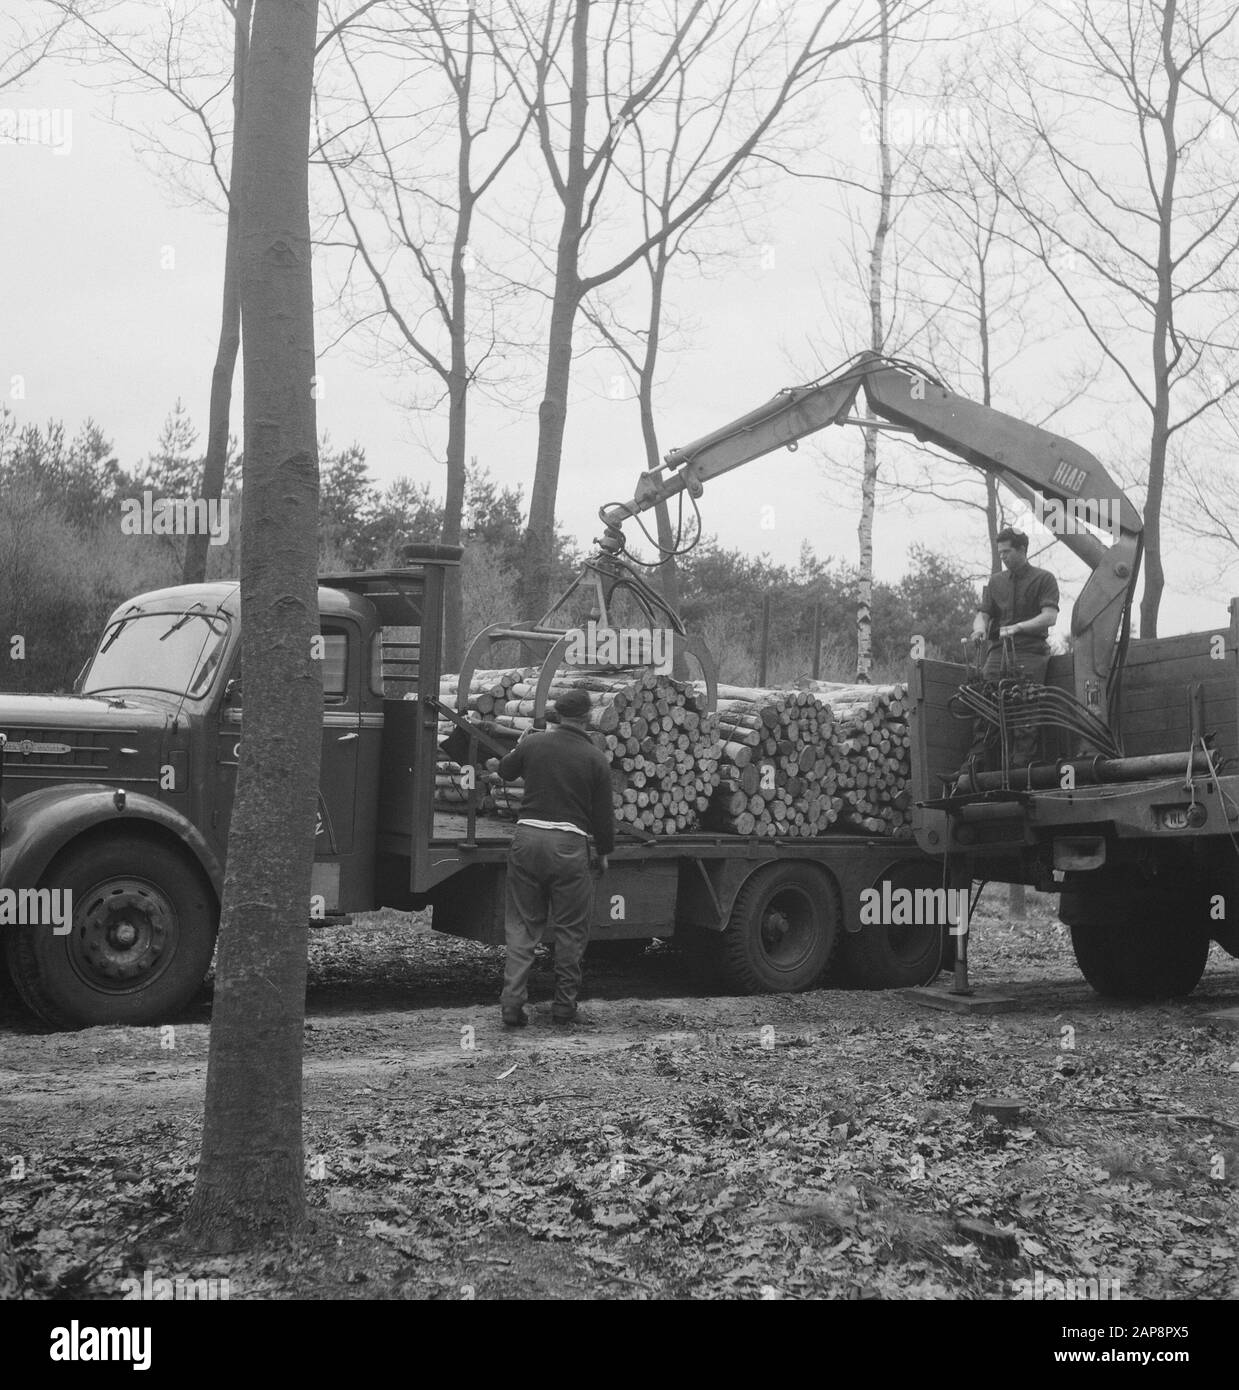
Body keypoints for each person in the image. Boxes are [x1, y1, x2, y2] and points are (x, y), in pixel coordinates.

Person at [496, 688, 615, 1027]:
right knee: (570, 931)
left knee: (522, 927)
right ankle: (563, 1007)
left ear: (557, 714)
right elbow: (603, 817)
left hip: (527, 840)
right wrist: (604, 853)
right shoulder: (595, 758)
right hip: (569, 847)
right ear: (588, 717)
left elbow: (505, 771)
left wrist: (520, 745)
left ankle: (512, 1005)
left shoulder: (534, 744)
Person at [961, 527, 1060, 774]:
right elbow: (982, 615)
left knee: (1025, 708)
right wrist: (979, 629)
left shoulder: (1044, 579)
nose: (1003, 557)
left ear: (1022, 550)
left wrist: (1018, 627)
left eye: (1007, 552)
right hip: (997, 653)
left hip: (1029, 652)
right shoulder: (995, 582)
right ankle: (975, 767)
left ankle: (1019, 768)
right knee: (984, 705)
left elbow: (1049, 617)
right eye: (1000, 552)